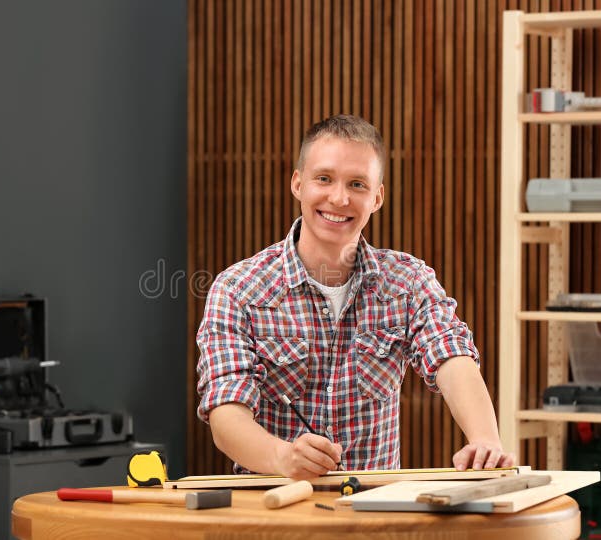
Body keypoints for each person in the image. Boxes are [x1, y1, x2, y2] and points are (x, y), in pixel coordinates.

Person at [196, 114, 514, 480]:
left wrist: (486, 440)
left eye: (357, 184)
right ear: (298, 184)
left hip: (376, 516)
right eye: (324, 178)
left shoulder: (408, 282)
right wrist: (281, 457)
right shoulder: (236, 288)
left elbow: (451, 357)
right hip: (274, 511)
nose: (339, 198)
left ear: (377, 197)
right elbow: (225, 413)